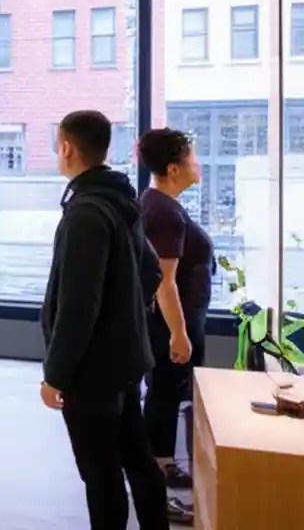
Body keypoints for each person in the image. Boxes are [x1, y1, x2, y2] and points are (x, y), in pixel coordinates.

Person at [40, 110, 169, 530]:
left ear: (67, 148)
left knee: (101, 476)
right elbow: (151, 271)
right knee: (137, 459)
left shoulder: (85, 213)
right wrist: (126, 315)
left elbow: (78, 306)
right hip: (127, 361)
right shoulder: (120, 200)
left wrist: (55, 375)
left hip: (93, 373)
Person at [138, 128, 213, 521]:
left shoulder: (161, 205)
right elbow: (164, 283)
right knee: (164, 394)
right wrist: (179, 333)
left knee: (165, 394)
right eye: (192, 158)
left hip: (175, 322)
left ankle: (163, 463)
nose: (197, 164)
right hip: (169, 326)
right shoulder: (164, 212)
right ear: (172, 168)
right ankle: (156, 472)